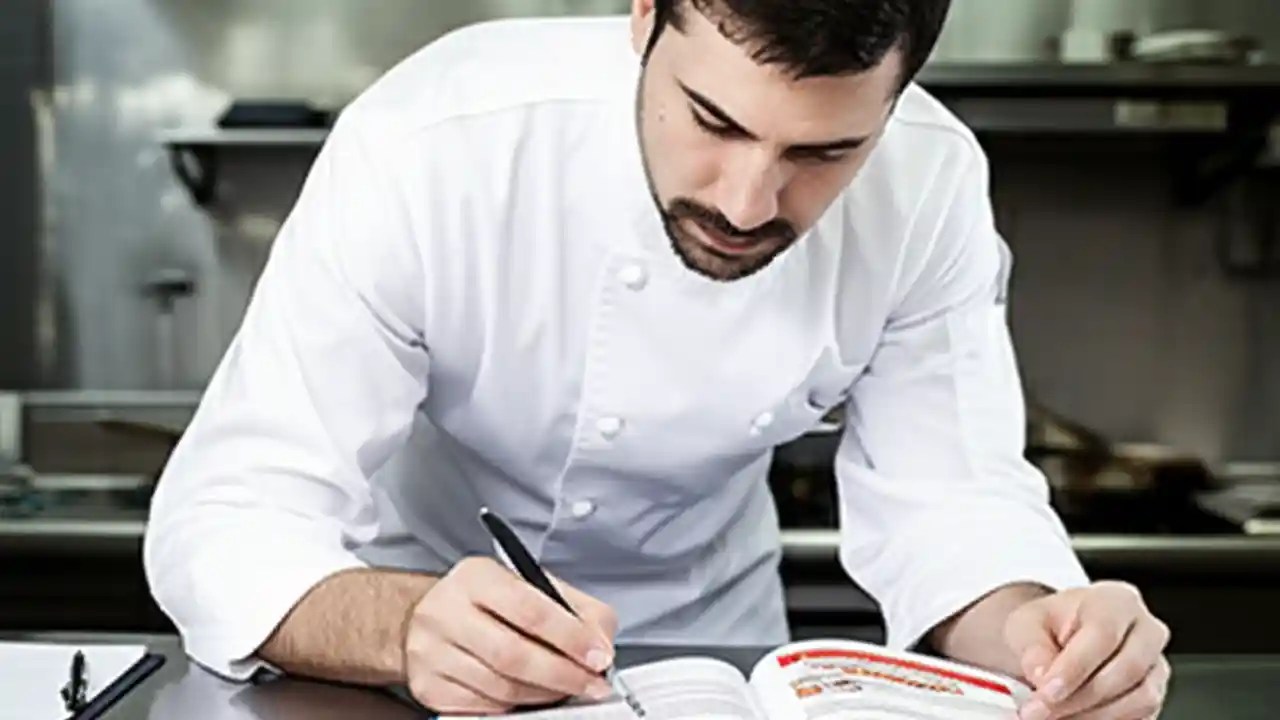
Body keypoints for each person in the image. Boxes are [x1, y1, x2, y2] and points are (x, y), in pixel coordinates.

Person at [143, 1, 1171, 718]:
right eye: (712, 121)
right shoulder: (430, 143)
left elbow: (951, 505)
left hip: (711, 667)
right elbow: (229, 519)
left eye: (822, 154)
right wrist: (405, 623)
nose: (743, 203)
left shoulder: (927, 187)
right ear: (644, 16)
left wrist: (1052, 641)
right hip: (394, 668)